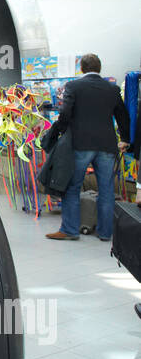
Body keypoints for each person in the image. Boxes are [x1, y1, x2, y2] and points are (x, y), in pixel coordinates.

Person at [45, 53, 131, 243]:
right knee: (107, 190)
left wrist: (60, 131)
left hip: (80, 144)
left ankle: (70, 229)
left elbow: (65, 113)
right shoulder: (112, 88)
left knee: (72, 186)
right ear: (99, 68)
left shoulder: (73, 86)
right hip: (107, 145)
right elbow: (123, 116)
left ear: (81, 68)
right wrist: (124, 138)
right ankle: (105, 233)